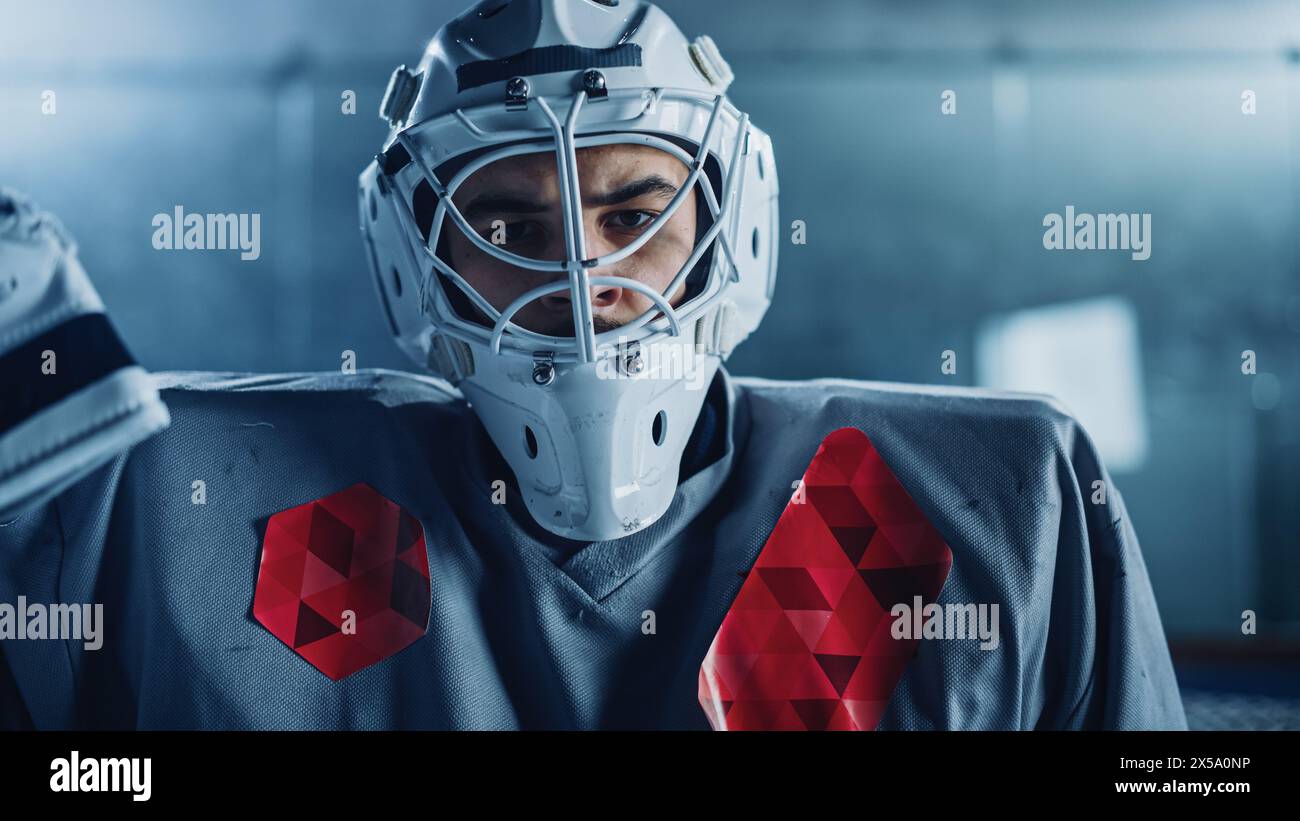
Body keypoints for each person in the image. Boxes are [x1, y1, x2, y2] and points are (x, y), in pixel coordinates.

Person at [0, 0, 1185, 730]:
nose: (584, 269)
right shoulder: (170, 501)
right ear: (418, 265)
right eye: (511, 228)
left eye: (633, 212)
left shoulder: (1009, 505)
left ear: (736, 221)